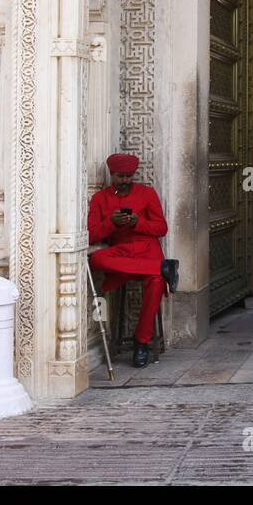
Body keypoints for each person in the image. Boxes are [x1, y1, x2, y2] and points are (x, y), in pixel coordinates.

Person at [88, 153, 172, 368]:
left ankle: (141, 341)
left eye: (128, 176)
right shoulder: (100, 199)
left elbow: (161, 228)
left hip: (146, 249)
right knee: (97, 259)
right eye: (120, 176)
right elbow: (90, 235)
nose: (125, 180)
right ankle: (163, 268)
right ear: (111, 174)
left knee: (156, 282)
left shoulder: (147, 193)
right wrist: (110, 223)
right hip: (121, 254)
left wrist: (138, 222)